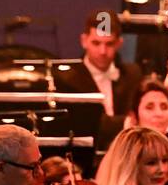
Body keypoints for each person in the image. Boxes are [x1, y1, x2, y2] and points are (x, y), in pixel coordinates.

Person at [54, 11, 144, 150]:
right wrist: (126, 122)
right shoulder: (67, 79)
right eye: (96, 43)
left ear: (119, 43)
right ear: (84, 41)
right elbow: (83, 125)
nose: (102, 51)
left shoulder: (133, 74)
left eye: (109, 44)